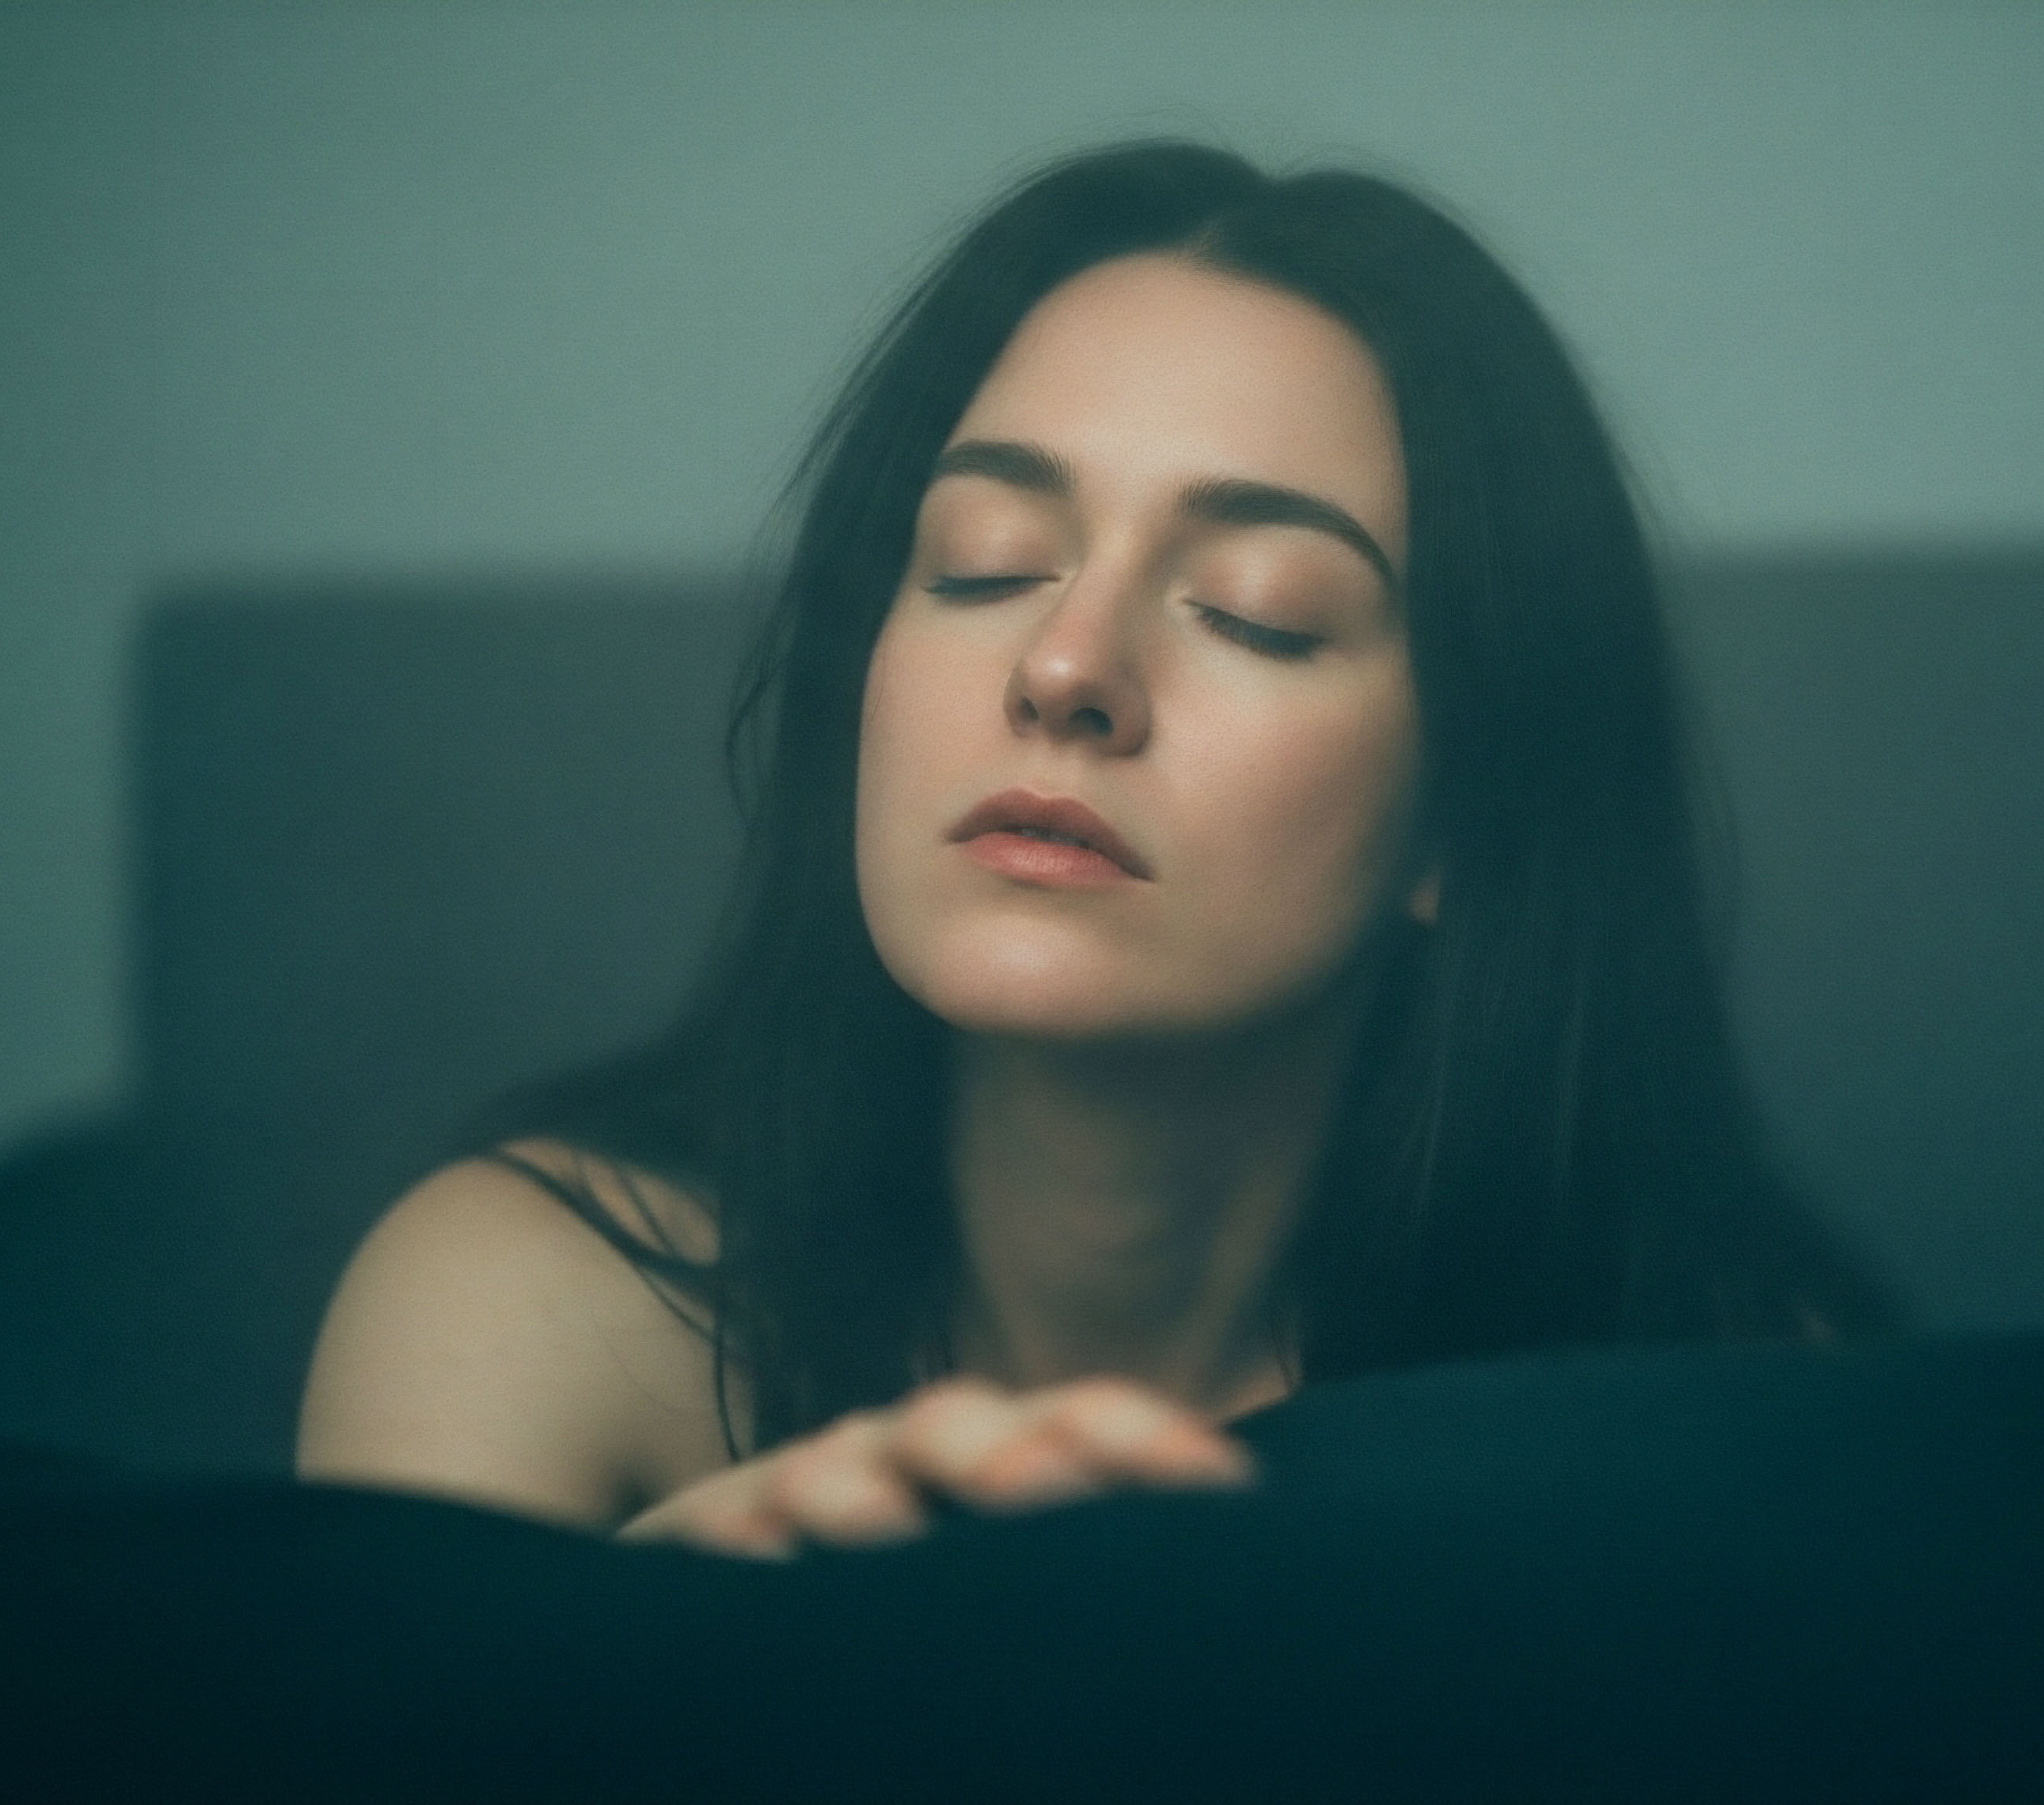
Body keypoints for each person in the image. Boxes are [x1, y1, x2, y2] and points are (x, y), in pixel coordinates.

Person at [295, 141, 1893, 1557]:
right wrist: (640, 1667)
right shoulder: (527, 1316)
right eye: (983, 566)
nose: (1063, 671)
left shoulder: (1712, 1392)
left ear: (1468, 820)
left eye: (1255, 607)